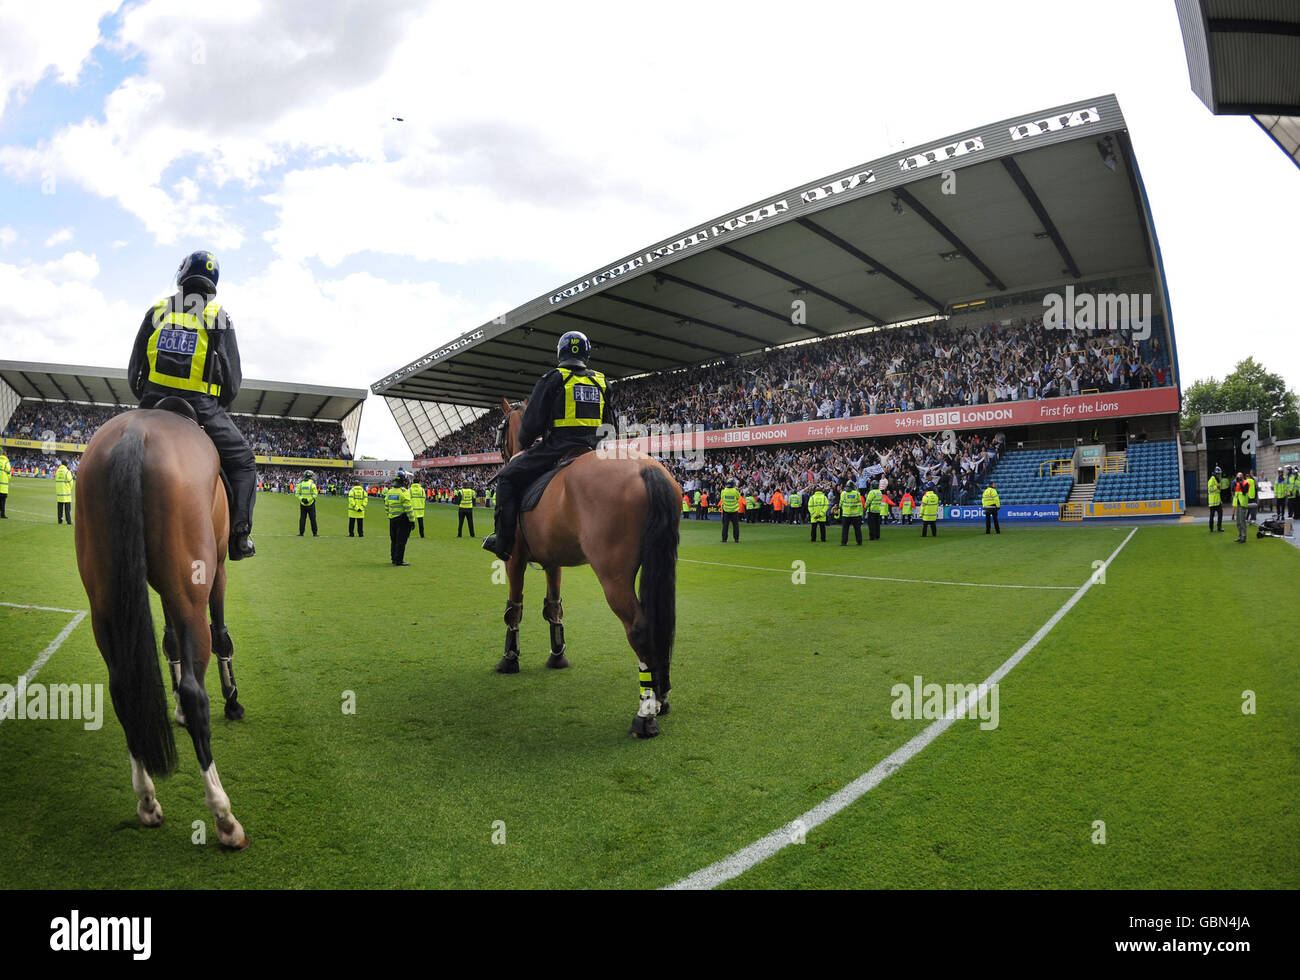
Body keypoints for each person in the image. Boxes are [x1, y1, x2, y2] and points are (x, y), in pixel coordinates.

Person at [128, 250, 256, 559]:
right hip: (201, 407)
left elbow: (134, 371)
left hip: (152, 402)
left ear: (182, 276)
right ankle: (240, 537)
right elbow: (233, 381)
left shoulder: (157, 310)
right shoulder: (218, 317)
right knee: (243, 463)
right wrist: (216, 402)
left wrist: (146, 398)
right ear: (212, 284)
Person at [482, 331, 612, 560]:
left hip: (558, 448)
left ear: (560, 352)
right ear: (587, 353)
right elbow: (611, 426)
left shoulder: (553, 378)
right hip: (596, 451)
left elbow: (530, 425)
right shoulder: (602, 381)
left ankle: (502, 542)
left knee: (507, 478)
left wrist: (525, 444)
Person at [386, 473, 415, 565]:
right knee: (401, 541)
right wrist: (412, 520)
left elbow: (387, 506)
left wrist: (389, 515)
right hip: (402, 519)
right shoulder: (403, 492)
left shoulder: (390, 491)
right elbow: (408, 508)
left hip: (392, 518)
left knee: (394, 540)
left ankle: (394, 558)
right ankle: (399, 560)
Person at [839, 479, 863, 546]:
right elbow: (860, 504)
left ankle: (844, 542)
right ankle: (859, 542)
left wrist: (840, 508)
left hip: (846, 515)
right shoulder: (857, 493)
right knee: (857, 529)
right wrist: (860, 514)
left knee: (845, 530)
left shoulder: (843, 493)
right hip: (855, 515)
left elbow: (840, 503)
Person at [297, 469, 319, 537]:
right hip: (311, 504)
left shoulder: (300, 484)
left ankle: (301, 533)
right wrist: (308, 500)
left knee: (302, 518)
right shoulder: (312, 484)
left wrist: (302, 499)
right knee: (312, 519)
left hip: (302, 504)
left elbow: (297, 493)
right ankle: (314, 533)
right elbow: (315, 494)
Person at [720, 477, 742, 542]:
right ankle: (736, 539)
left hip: (726, 510)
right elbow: (738, 498)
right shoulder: (735, 491)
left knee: (725, 526)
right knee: (735, 526)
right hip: (734, 511)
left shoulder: (723, 491)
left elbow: (722, 498)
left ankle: (724, 539)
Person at [1232, 472, 1250, 543]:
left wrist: (1240, 482)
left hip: (1243, 504)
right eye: (1237, 476)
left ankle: (1243, 537)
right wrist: (1235, 483)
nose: (1238, 478)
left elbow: (1244, 491)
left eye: (1239, 476)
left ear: (1242, 477)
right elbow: (1233, 490)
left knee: (1242, 522)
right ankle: (1240, 536)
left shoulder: (1246, 483)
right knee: (1238, 522)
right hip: (1238, 504)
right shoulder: (1237, 483)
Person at [55, 459, 73, 525]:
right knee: (67, 509)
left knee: (60, 508)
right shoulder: (67, 472)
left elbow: (56, 480)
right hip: (66, 493)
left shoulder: (57, 471)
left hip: (59, 493)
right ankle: (69, 521)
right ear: (66, 464)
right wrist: (69, 489)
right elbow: (71, 482)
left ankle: (60, 521)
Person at [1207, 466, 1223, 533]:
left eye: (1220, 474)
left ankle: (1219, 527)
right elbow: (1209, 489)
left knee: (1220, 514)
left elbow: (1218, 491)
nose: (1219, 475)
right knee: (1212, 515)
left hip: (1218, 501)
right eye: (1218, 473)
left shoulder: (1217, 480)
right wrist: (1216, 486)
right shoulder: (1211, 480)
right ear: (1216, 473)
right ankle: (1211, 528)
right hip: (1213, 502)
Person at [0, 449, 9, 518]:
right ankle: (2, 514)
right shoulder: (6, 463)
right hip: (4, 485)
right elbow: (8, 473)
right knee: (3, 501)